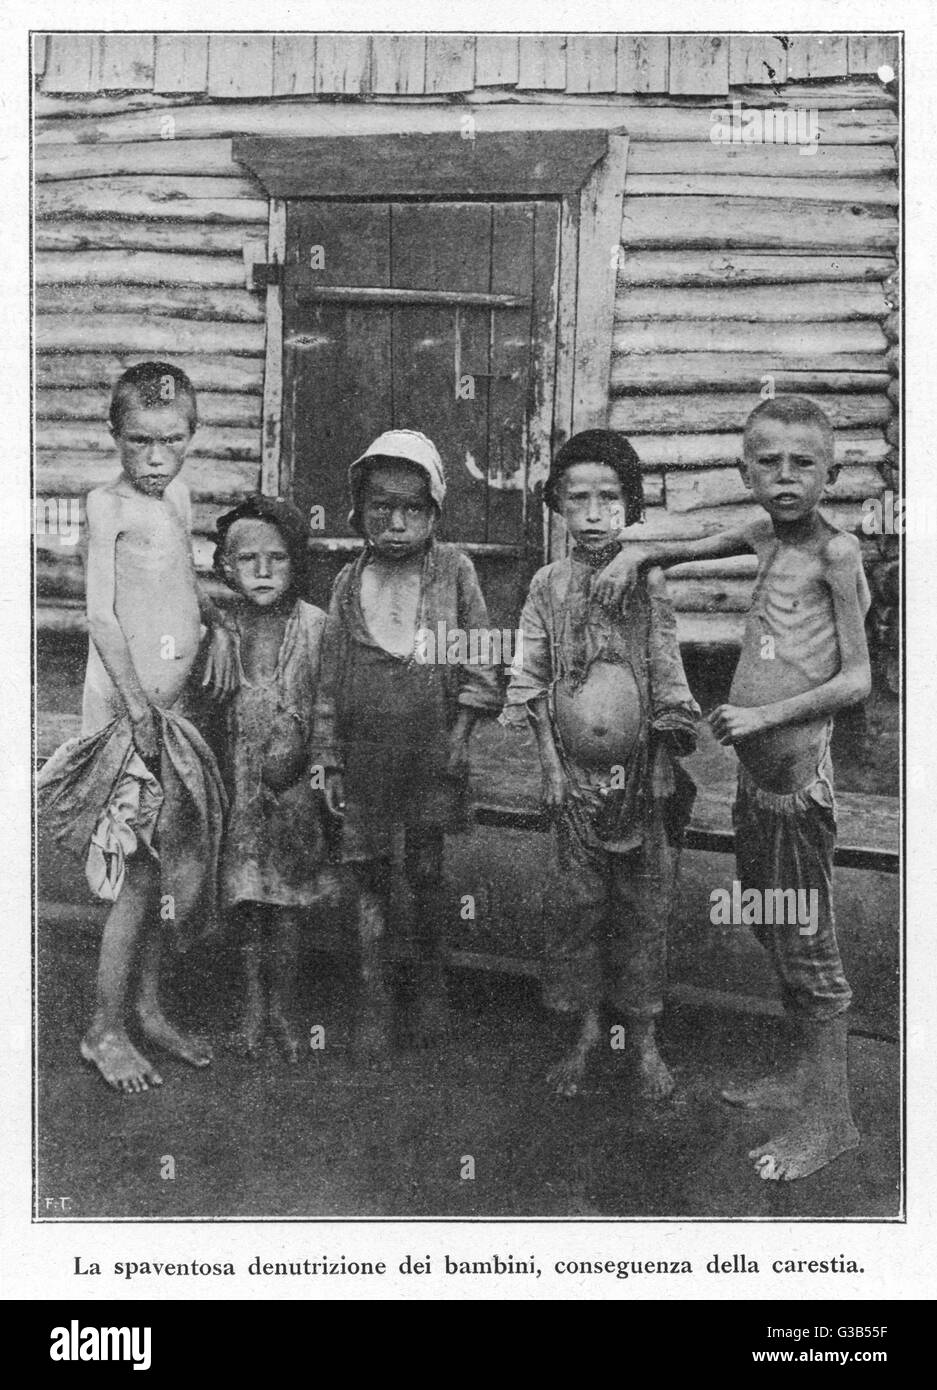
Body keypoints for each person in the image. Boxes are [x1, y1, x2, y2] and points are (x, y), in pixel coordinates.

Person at [593, 396, 871, 1180]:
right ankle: (800, 1079)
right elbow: (690, 543)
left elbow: (857, 678)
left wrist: (764, 714)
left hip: (793, 792)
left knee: (810, 952)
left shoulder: (835, 554)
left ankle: (832, 1122)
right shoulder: (761, 534)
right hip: (757, 785)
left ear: (831, 473)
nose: (785, 476)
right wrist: (633, 556)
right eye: (768, 462)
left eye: (802, 463)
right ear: (745, 470)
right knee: (771, 927)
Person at [38, 362, 236, 1094]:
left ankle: (147, 1006)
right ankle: (102, 1028)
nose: (155, 460)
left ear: (192, 435)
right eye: (140, 443)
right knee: (135, 876)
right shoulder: (106, 506)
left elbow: (180, 583)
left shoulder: (177, 496)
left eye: (171, 441)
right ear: (114, 435)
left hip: (174, 716)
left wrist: (214, 626)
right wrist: (135, 710)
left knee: (160, 863)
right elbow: (102, 615)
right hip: (131, 718)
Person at [505, 430, 700, 1098]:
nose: (592, 513)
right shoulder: (547, 585)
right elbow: (529, 678)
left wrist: (665, 761)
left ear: (630, 505)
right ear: (556, 506)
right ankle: (585, 1034)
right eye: (576, 498)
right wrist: (551, 769)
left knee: (643, 910)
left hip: (641, 778)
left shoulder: (648, 582)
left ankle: (643, 1042)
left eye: (608, 498)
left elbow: (667, 672)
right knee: (577, 907)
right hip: (577, 782)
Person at [309, 431, 502, 1056]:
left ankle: (430, 986)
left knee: (424, 870)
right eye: (380, 508)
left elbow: (481, 659)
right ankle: (374, 995)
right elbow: (329, 679)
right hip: (365, 756)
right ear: (358, 511)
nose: (395, 523)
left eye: (412, 509)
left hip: (430, 751)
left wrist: (463, 733)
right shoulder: (346, 582)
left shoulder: (453, 572)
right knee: (368, 876)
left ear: (434, 512)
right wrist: (329, 759)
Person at [213, 495, 330, 1063]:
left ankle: (283, 1013)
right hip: (240, 792)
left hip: (293, 796)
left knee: (285, 906)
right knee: (247, 903)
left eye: (277, 559)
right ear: (225, 568)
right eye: (247, 559)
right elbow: (203, 710)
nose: (262, 571)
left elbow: (331, 707)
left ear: (295, 563)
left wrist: (312, 762)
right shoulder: (223, 630)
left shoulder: (316, 628)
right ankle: (249, 1011)